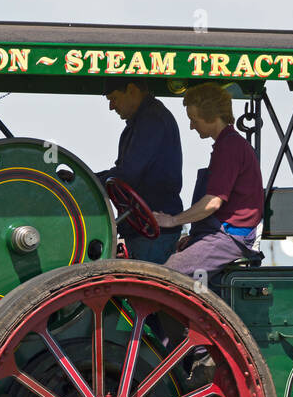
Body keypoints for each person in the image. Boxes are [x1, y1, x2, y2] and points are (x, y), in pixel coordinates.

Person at [154, 83, 264, 280]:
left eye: (194, 120)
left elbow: (213, 202)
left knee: (166, 275)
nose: (191, 126)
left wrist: (172, 220)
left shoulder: (230, 147)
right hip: (222, 233)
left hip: (231, 237)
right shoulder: (227, 144)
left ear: (212, 116)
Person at [99, 78, 182, 263]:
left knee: (147, 286)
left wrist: (88, 181)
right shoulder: (141, 122)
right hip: (142, 226)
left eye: (113, 98)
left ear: (131, 90)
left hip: (152, 229)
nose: (111, 107)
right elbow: (123, 172)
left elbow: (127, 175)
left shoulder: (152, 120)